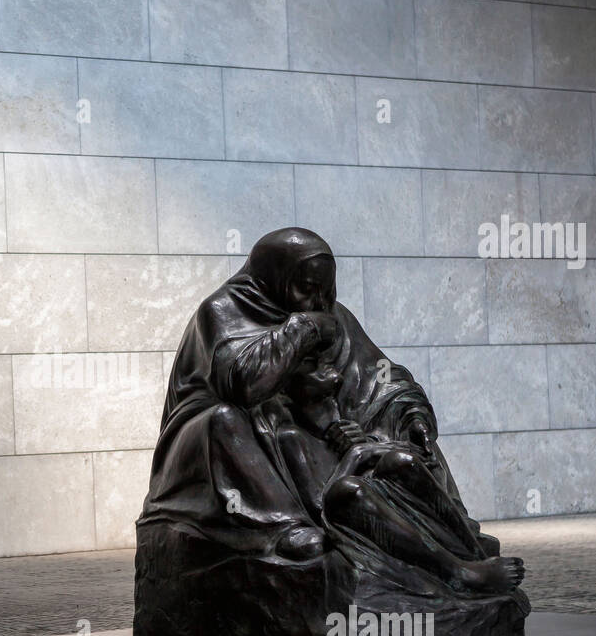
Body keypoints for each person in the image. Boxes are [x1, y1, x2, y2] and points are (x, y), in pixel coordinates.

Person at [138, 227, 522, 596]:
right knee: (223, 419)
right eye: (307, 289)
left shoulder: (333, 316)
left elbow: (379, 378)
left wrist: (410, 416)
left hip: (318, 433)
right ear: (274, 279)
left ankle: (457, 536)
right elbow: (243, 383)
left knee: (405, 437)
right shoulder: (223, 311)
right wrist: (303, 328)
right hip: (216, 450)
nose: (320, 302)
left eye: (327, 289)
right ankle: (283, 527)